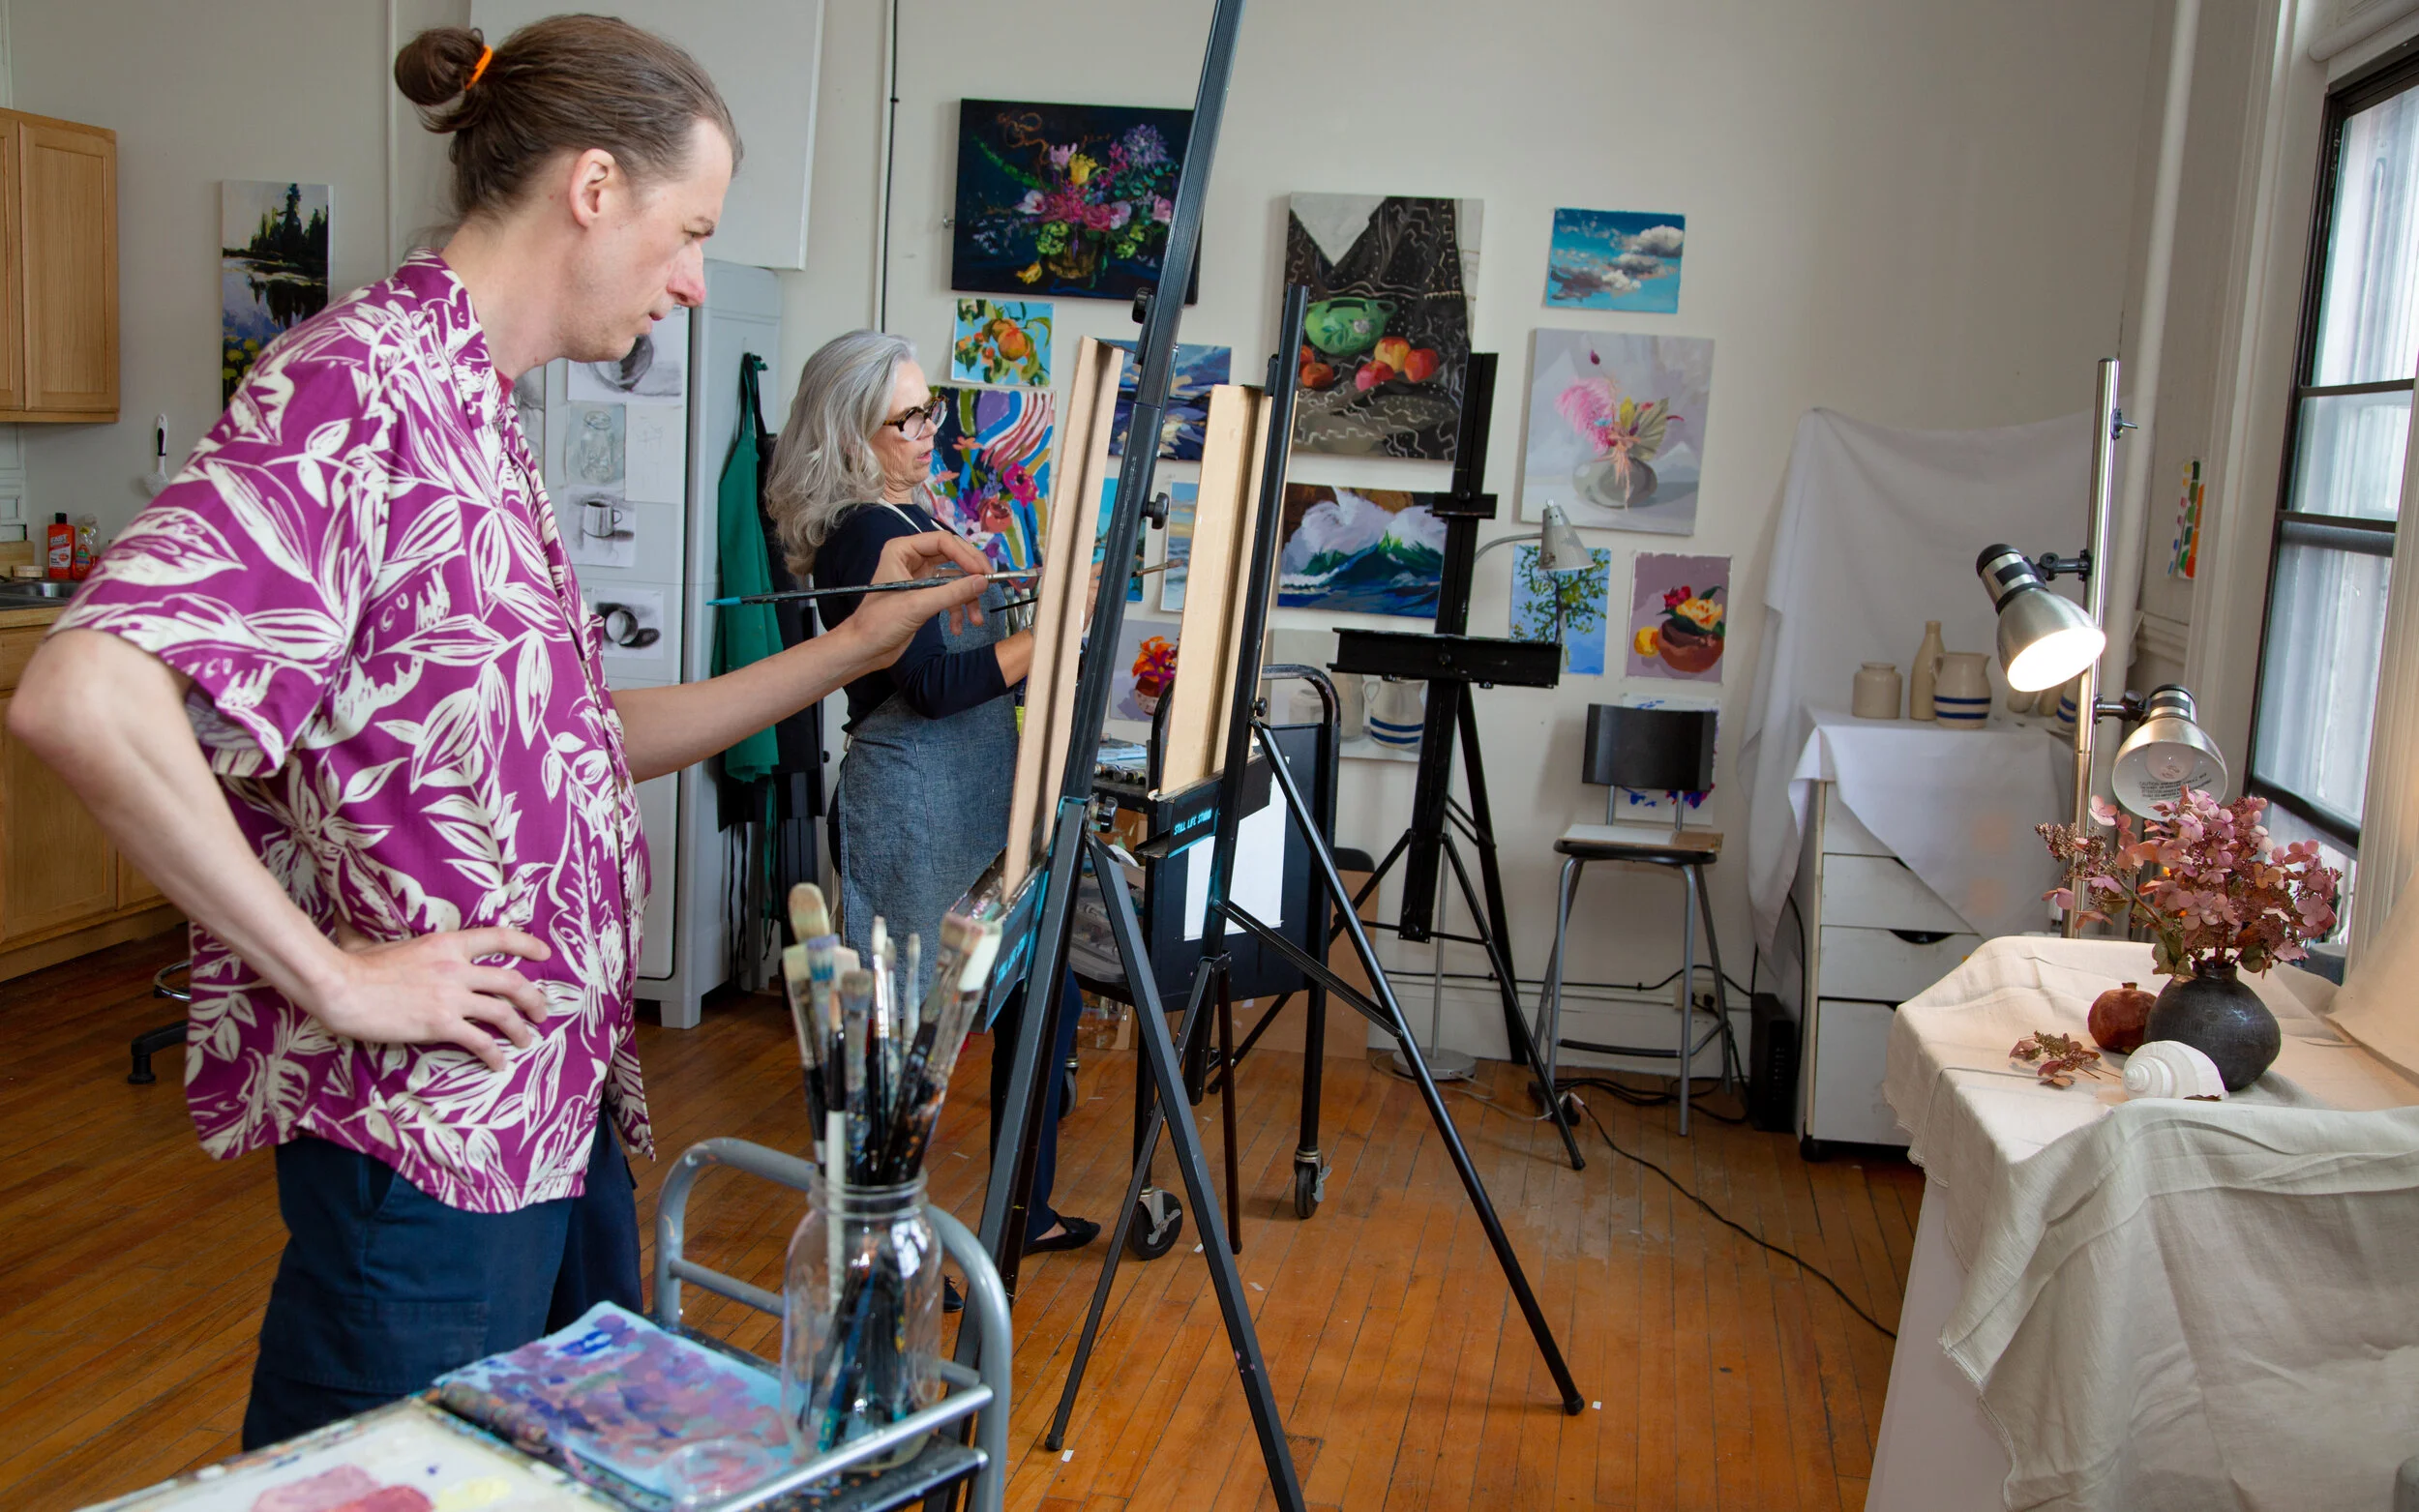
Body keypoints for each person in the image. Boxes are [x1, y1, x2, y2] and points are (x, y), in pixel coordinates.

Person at [7, 17, 990, 1448]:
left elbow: (575, 737)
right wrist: (334, 976)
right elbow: (81, 691)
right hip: (425, 1147)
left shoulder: (478, 408)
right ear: (595, 188)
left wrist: (849, 648)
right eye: (690, 228)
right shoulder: (361, 387)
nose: (695, 279)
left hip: (555, 1103)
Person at [764, 332, 1098, 1260]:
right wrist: (1063, 621)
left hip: (972, 794)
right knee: (902, 1043)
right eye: (905, 418)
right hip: (913, 803)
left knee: (1043, 996)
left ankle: (1020, 1214)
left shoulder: (912, 513)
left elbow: (965, 663)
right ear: (848, 431)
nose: (927, 430)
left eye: (929, 409)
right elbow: (933, 687)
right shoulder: (867, 531)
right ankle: (875, 1251)